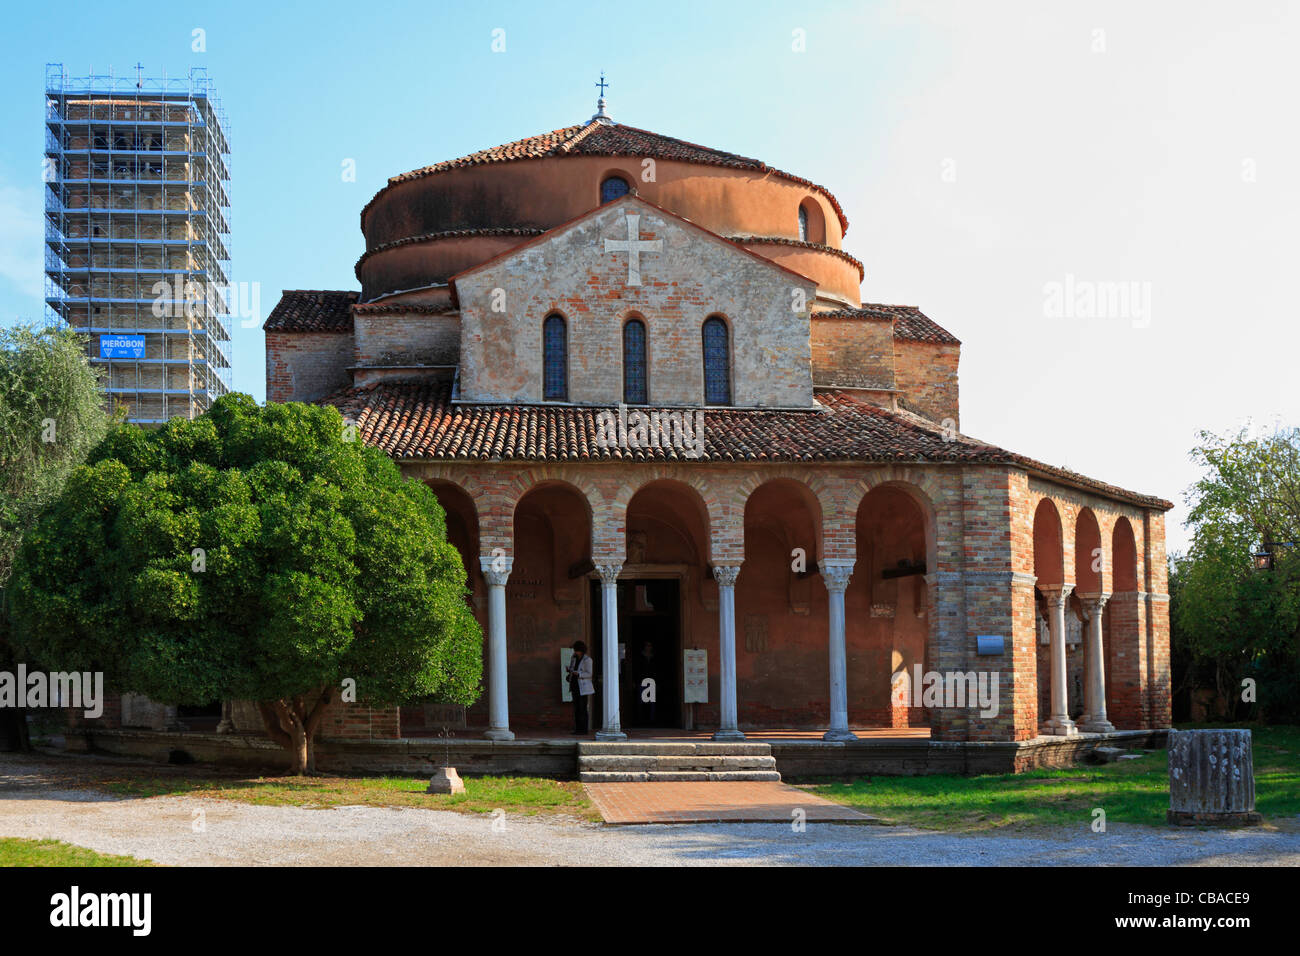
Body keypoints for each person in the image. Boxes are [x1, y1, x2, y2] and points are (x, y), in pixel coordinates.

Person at [567, 641, 594, 734]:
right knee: (576, 709)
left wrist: (579, 673)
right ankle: (577, 729)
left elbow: (589, 674)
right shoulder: (573, 658)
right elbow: (572, 668)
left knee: (582, 708)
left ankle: (583, 730)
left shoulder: (587, 660)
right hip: (574, 685)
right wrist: (569, 670)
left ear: (581, 650)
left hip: (583, 687)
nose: (575, 652)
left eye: (576, 650)